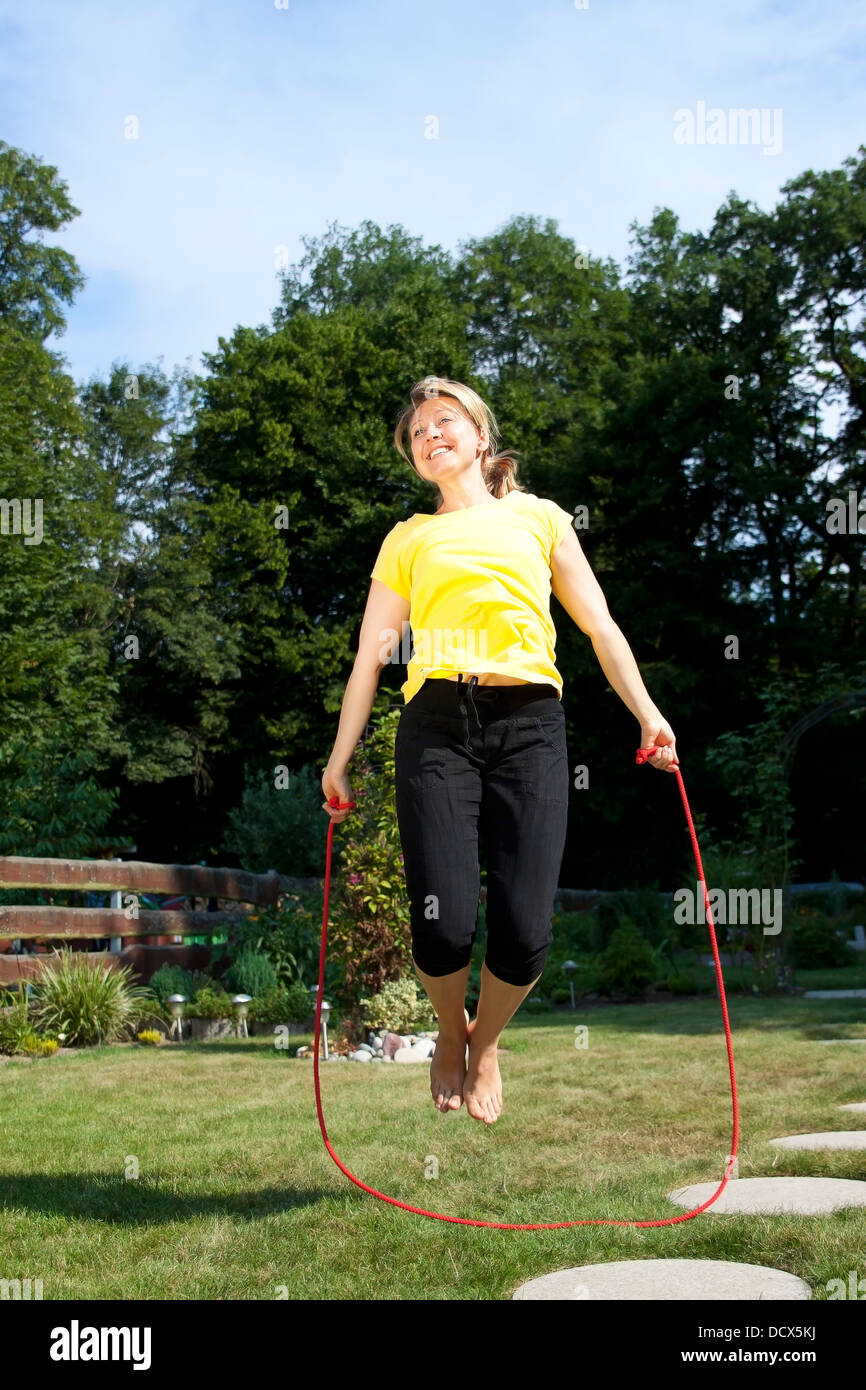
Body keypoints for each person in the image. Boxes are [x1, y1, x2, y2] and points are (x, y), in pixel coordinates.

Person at [322, 376, 677, 1125]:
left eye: (443, 421)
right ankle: (452, 1033)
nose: (428, 436)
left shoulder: (540, 519)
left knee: (524, 928)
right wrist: (338, 757)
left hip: (530, 726)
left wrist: (647, 714)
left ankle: (488, 1047)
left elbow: (601, 627)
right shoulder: (409, 538)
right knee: (443, 921)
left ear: (482, 437)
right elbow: (370, 656)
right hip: (437, 726)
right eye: (415, 433)